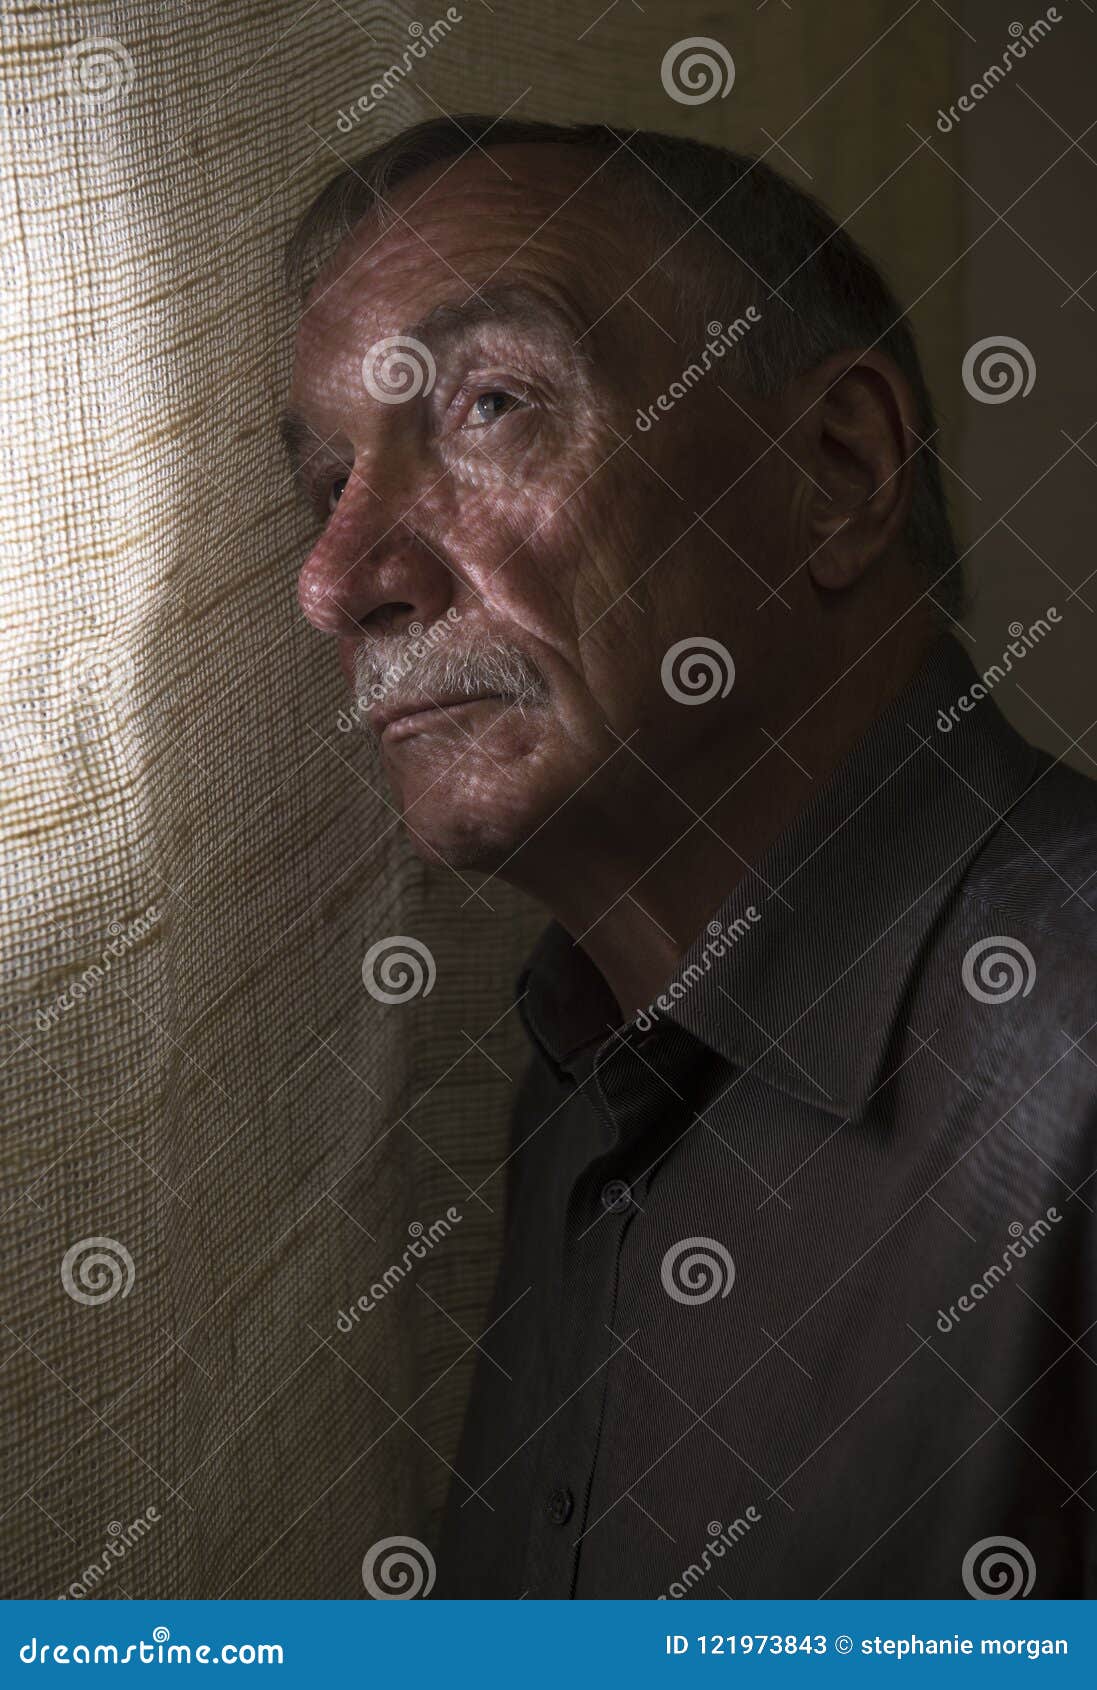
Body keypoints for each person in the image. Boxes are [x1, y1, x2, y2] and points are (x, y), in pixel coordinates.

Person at [281, 117, 1096, 1598]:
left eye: (489, 405)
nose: (340, 580)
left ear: (836, 466)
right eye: (323, 479)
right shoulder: (584, 1062)